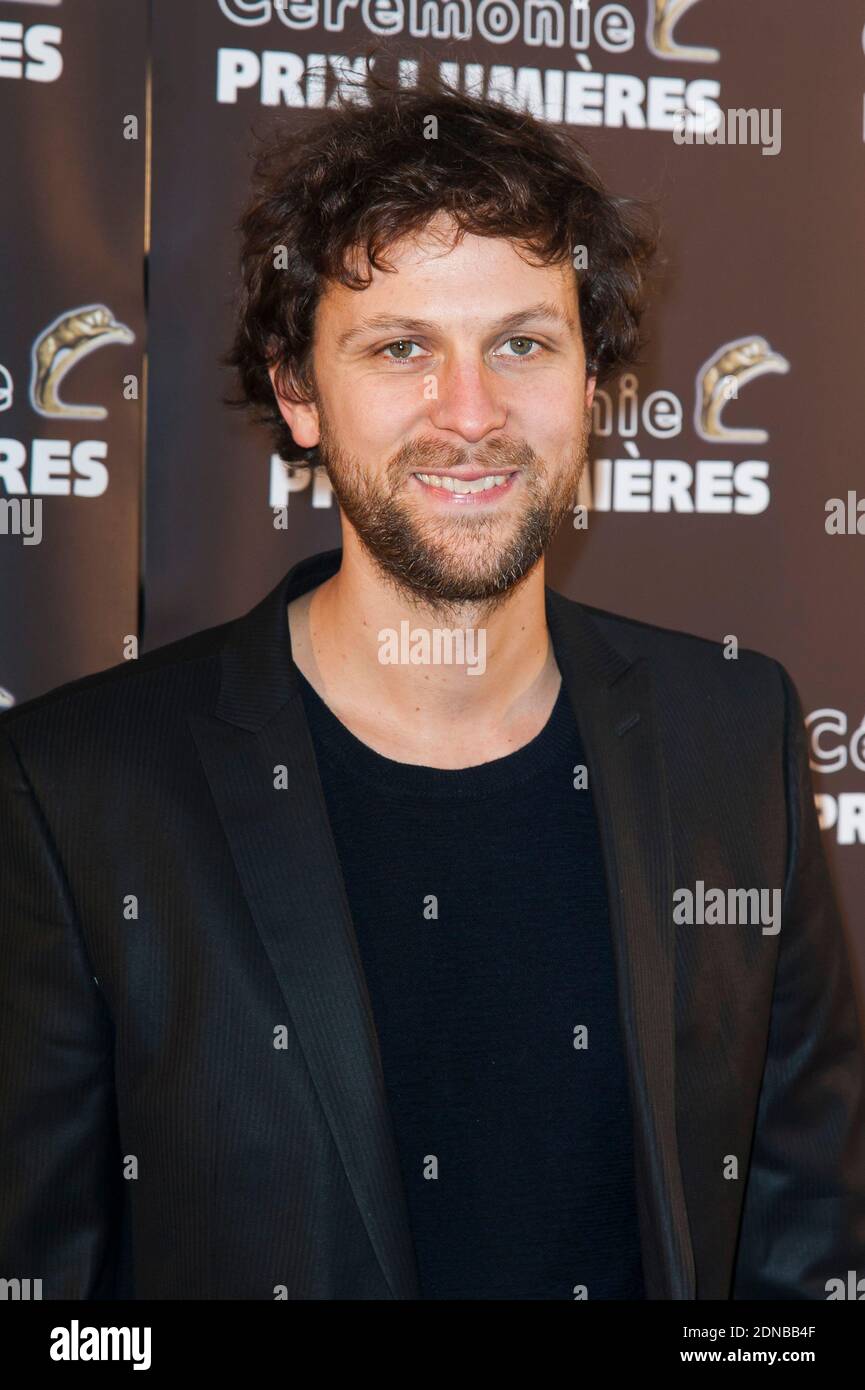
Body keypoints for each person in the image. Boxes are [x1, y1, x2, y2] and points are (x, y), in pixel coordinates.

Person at [2, 68, 864, 1301]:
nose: (470, 414)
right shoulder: (77, 789)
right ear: (299, 394)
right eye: (402, 347)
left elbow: (805, 1251)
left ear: (590, 382)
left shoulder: (737, 733)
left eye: (522, 342)